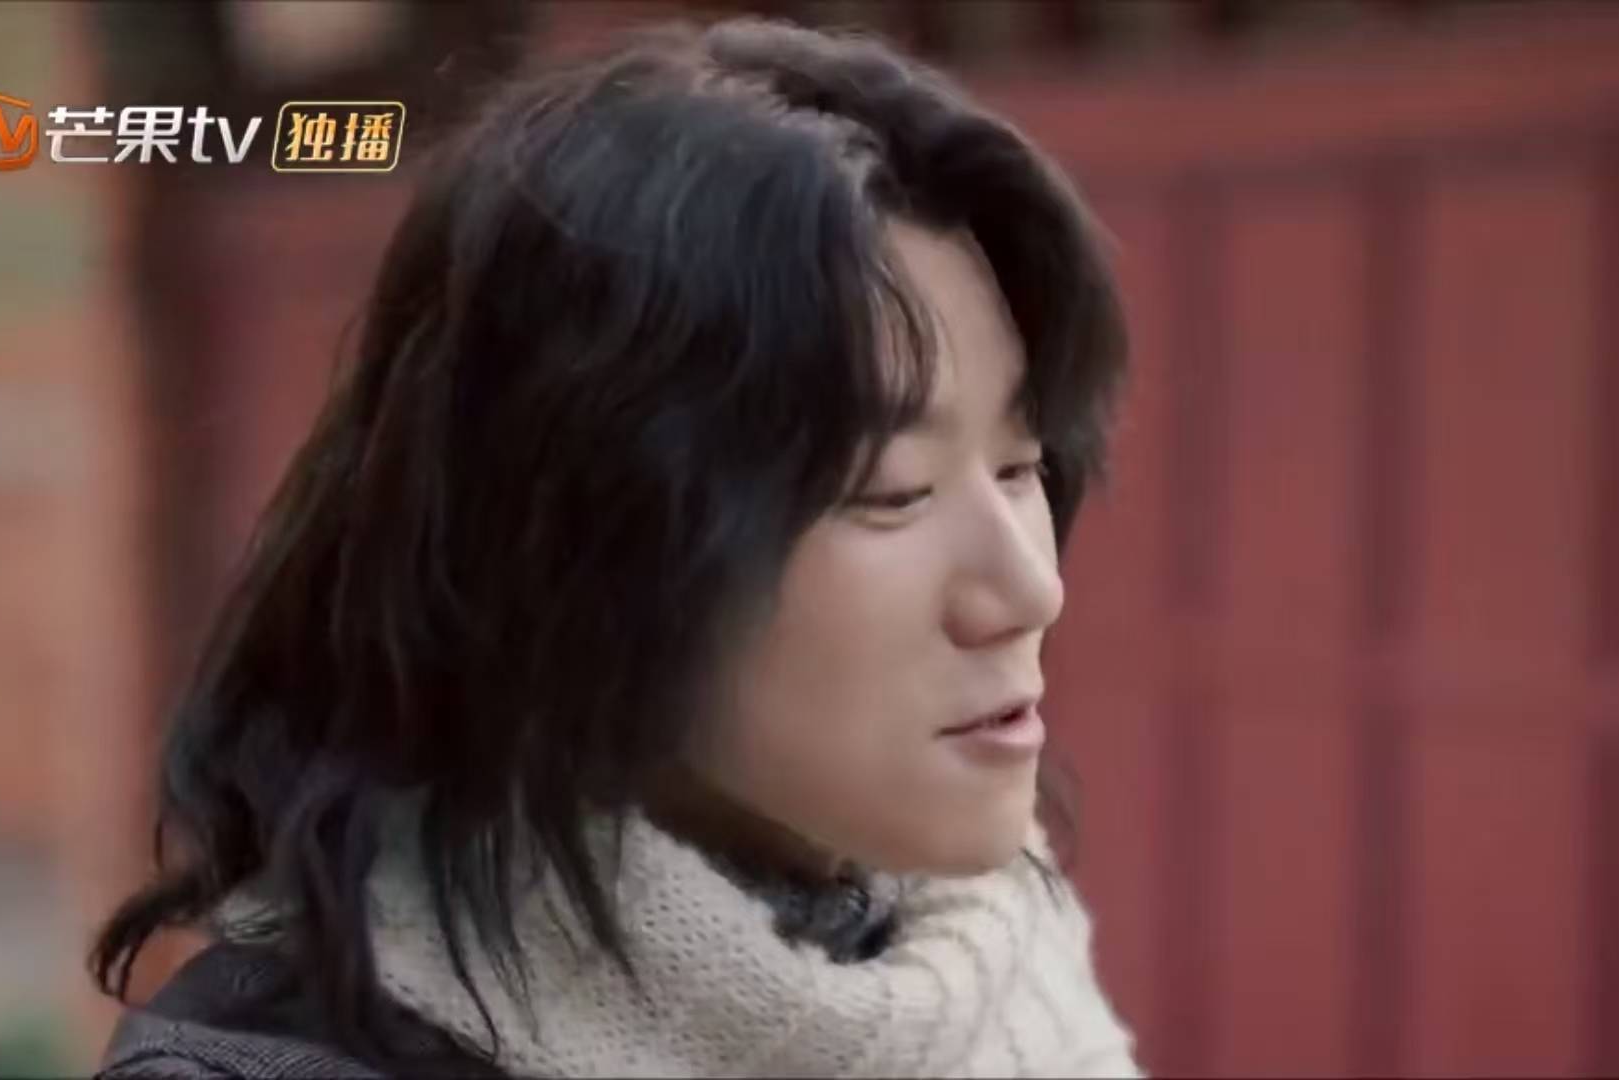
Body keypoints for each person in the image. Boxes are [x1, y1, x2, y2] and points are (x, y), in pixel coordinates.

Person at [90, 16, 1138, 1078]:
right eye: (893, 491)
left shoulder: (1010, 984)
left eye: (1020, 466)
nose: (1029, 589)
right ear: (579, 542)